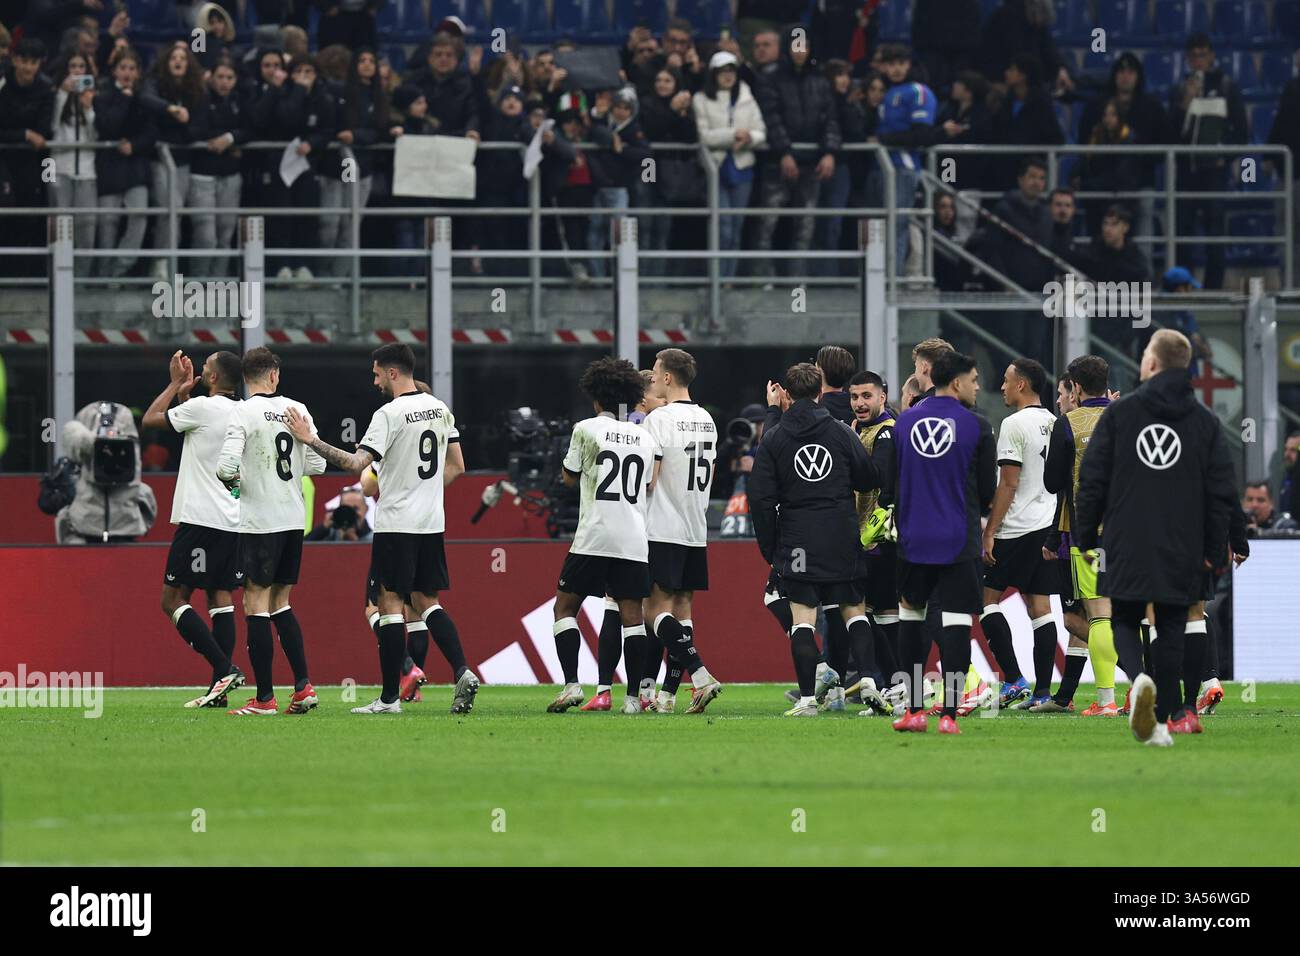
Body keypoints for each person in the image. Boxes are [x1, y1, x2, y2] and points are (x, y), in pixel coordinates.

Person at [285, 344, 478, 715]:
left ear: (392, 372)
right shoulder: (440, 409)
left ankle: (390, 699)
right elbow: (458, 466)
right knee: (427, 602)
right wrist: (424, 493)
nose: (374, 382)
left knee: (388, 605)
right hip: (431, 522)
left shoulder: (388, 414)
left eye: (376, 374)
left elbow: (357, 463)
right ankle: (462, 670)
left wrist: (310, 440)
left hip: (397, 524)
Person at [1074, 329, 1238, 746]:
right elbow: (1222, 491)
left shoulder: (1120, 415)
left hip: (1127, 536)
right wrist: (1214, 550)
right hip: (1183, 542)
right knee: (1170, 625)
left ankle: (1140, 680)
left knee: (1125, 619)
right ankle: (1163, 722)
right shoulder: (1205, 422)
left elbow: (1092, 480)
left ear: (1151, 364)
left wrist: (1085, 538)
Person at [547, 359, 709, 714]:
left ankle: (574, 684)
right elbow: (650, 482)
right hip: (635, 538)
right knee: (633, 619)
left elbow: (570, 477)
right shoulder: (644, 436)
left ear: (595, 398)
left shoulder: (585, 428)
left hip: (594, 535)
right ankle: (634, 699)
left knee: (564, 607)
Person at [748, 362, 888, 717]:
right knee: (854, 610)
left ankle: (809, 698)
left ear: (788, 395)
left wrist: (770, 548)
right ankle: (870, 680)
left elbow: (761, 499)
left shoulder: (776, 438)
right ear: (819, 392)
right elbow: (868, 477)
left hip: (797, 537)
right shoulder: (842, 432)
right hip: (840, 531)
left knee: (802, 619)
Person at [890, 351, 997, 733]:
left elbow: (891, 482)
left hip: (913, 536)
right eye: (974, 379)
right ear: (956, 383)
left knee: (911, 617)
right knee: (954, 625)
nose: (978, 386)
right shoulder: (978, 427)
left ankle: (914, 710)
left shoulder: (903, 424)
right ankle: (950, 714)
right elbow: (988, 491)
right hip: (958, 537)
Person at [216, 347, 326, 716]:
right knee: (282, 603)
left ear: (247, 378)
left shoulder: (242, 412)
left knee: (255, 604)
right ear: (274, 375)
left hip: (259, 521)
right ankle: (303, 686)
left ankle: (264, 698)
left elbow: (225, 467)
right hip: (293, 520)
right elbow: (318, 463)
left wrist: (238, 486)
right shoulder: (298, 410)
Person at [141, 349, 246, 708]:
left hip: (200, 518)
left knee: (172, 600)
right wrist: (188, 394)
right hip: (233, 519)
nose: (200, 373)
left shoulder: (203, 409)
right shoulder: (242, 412)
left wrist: (174, 385)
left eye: (205, 370)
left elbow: (152, 419)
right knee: (220, 597)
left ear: (214, 378)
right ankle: (218, 690)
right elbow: (198, 433)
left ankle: (223, 667)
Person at [1041, 354, 1141, 716]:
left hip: (1088, 531)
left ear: (1077, 388)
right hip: (1131, 530)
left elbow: (1053, 483)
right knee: (1130, 613)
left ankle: (1106, 701)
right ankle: (1144, 681)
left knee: (1098, 614)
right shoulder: (1127, 417)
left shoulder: (1069, 423)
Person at [638, 350, 724, 714]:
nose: (654, 379)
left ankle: (701, 674)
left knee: (652, 610)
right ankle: (669, 696)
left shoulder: (659, 420)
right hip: (695, 526)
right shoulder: (707, 419)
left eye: (657, 373)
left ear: (669, 378)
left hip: (662, 525)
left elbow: (650, 477)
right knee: (683, 609)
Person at [972, 359, 1062, 709]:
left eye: (1007, 381)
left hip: (1017, 528)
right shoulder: (1056, 423)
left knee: (986, 600)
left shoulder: (1013, 424)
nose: (1003, 387)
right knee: (1040, 608)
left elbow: (1009, 484)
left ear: (1022, 385)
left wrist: (990, 530)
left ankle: (1013, 679)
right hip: (1047, 525)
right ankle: (1042, 693)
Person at [753, 25, 840, 280]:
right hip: (777, 163)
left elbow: (830, 120)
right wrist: (783, 152)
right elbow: (771, 118)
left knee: (805, 226)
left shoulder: (821, 82)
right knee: (767, 223)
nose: (800, 51)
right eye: (795, 46)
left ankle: (797, 283)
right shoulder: (769, 79)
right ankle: (759, 280)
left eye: (804, 46)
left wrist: (829, 152)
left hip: (812, 164)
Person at [1169, 33, 1247, 290]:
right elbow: (1170, 135)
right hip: (1186, 173)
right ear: (1187, 59)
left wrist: (1223, 157)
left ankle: (1214, 290)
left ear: (1211, 56)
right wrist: (1185, 103)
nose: (1199, 60)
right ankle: (1185, 289)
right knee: (1183, 234)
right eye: (1194, 55)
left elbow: (1241, 133)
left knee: (1215, 236)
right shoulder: (1179, 90)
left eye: (1203, 54)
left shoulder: (1226, 87)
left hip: (1214, 174)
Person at [847, 369, 905, 713]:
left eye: (867, 396)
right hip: (863, 534)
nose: (859, 403)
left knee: (876, 611)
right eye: (855, 397)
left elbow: (883, 485)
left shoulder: (887, 433)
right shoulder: (859, 429)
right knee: (868, 612)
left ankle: (896, 684)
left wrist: (872, 533)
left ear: (883, 397)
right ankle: (889, 685)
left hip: (879, 537)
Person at [693, 50, 766, 281]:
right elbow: (705, 136)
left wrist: (750, 138)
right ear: (713, 74)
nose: (728, 76)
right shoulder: (701, 99)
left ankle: (728, 281)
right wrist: (734, 134)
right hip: (717, 169)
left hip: (742, 166)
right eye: (723, 71)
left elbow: (760, 130)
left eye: (731, 71)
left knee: (736, 227)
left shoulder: (746, 95)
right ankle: (715, 277)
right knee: (722, 226)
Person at [140, 41, 207, 280]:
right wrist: (170, 110)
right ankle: (161, 263)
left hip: (184, 160)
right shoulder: (155, 84)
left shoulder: (196, 91)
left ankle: (169, 262)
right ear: (166, 63)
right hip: (161, 158)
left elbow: (198, 128)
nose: (178, 61)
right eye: (173, 58)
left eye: (183, 58)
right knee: (170, 210)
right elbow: (146, 99)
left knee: (177, 213)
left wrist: (184, 123)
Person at [873, 44, 937, 274]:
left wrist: (883, 140)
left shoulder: (918, 92)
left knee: (896, 226)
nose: (896, 69)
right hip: (882, 166)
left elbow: (921, 135)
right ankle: (878, 281)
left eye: (901, 63)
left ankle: (893, 283)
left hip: (903, 166)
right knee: (880, 227)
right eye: (891, 64)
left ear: (909, 64)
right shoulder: (887, 93)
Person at [94, 47, 155, 278]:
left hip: (136, 167)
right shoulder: (104, 96)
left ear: (139, 72)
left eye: (132, 68)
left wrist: (135, 145)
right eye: (123, 68)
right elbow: (108, 126)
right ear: (114, 71)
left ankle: (119, 268)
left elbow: (151, 133)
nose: (127, 73)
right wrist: (123, 99)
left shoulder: (145, 98)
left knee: (138, 217)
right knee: (108, 222)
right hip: (110, 168)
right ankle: (103, 275)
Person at [0, 37, 55, 275]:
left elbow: (43, 132)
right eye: (23, 61)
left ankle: (25, 273)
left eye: (33, 62)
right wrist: (23, 134)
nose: (28, 68)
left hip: (34, 163)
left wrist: (29, 136)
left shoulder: (45, 89)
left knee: (32, 213)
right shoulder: (2, 84)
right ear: (14, 60)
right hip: (3, 159)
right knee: (6, 210)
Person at [190, 54, 247, 277]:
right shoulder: (199, 98)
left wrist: (230, 139)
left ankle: (219, 283)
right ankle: (198, 282)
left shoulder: (239, 100)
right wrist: (224, 140)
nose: (225, 82)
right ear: (210, 77)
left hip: (231, 176)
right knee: (206, 236)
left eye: (230, 77)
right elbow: (197, 130)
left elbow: (251, 128)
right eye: (220, 76)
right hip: (202, 176)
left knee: (225, 235)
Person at [586, 86, 649, 280]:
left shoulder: (635, 130)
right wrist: (610, 137)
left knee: (619, 234)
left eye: (626, 108)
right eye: (618, 106)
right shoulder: (604, 123)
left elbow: (647, 156)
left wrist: (622, 150)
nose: (621, 111)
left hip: (620, 187)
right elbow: (594, 130)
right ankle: (597, 276)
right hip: (598, 186)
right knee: (595, 231)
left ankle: (620, 278)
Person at [47, 51, 98, 274]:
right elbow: (51, 128)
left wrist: (88, 109)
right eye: (72, 66)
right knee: (60, 231)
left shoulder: (95, 98)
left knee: (86, 229)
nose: (77, 71)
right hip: (60, 169)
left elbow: (97, 136)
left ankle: (82, 280)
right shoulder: (55, 96)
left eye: (81, 66)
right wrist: (62, 94)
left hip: (87, 171)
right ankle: (57, 280)